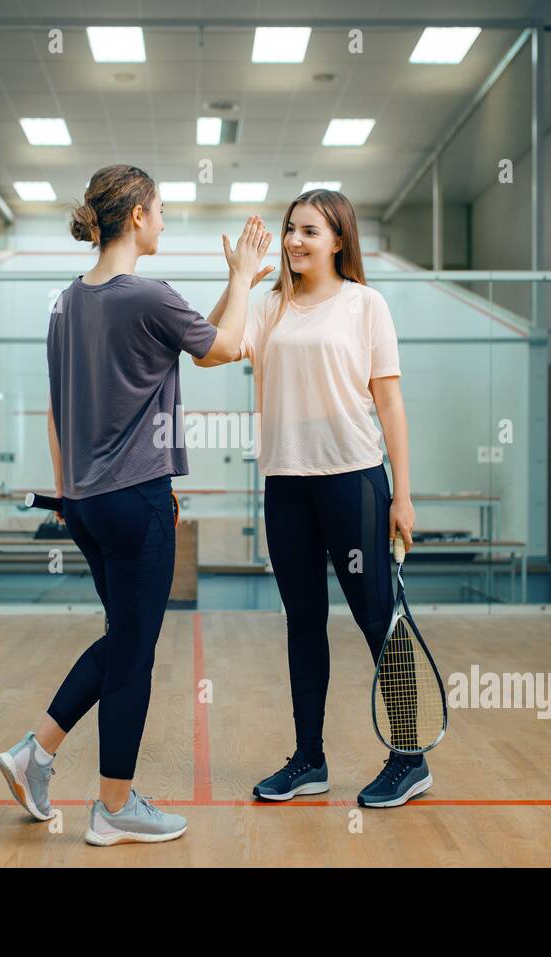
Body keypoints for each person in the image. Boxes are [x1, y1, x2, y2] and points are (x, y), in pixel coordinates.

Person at [0, 164, 272, 844]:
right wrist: (241, 280)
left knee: (124, 639)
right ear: (139, 215)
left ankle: (36, 754)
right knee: (134, 650)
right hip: (135, 502)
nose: (167, 222)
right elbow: (228, 348)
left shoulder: (68, 301)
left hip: (85, 504)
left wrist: (68, 495)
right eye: (162, 210)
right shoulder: (147, 294)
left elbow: (61, 410)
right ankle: (114, 806)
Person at [196, 188, 427, 808]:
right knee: (304, 622)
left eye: (309, 232)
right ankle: (310, 759)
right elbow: (213, 350)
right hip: (286, 485)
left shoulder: (366, 305)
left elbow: (390, 403)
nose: (295, 241)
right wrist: (240, 279)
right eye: (290, 230)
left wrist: (401, 495)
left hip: (354, 481)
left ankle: (410, 756)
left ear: (339, 240)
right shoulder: (270, 307)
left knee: (379, 620)